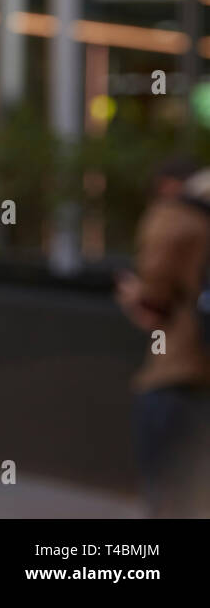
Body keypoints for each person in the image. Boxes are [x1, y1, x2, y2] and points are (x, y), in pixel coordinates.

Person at [115, 162, 210, 517]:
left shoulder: (177, 219)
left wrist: (134, 295)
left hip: (180, 378)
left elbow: (154, 306)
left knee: (170, 500)